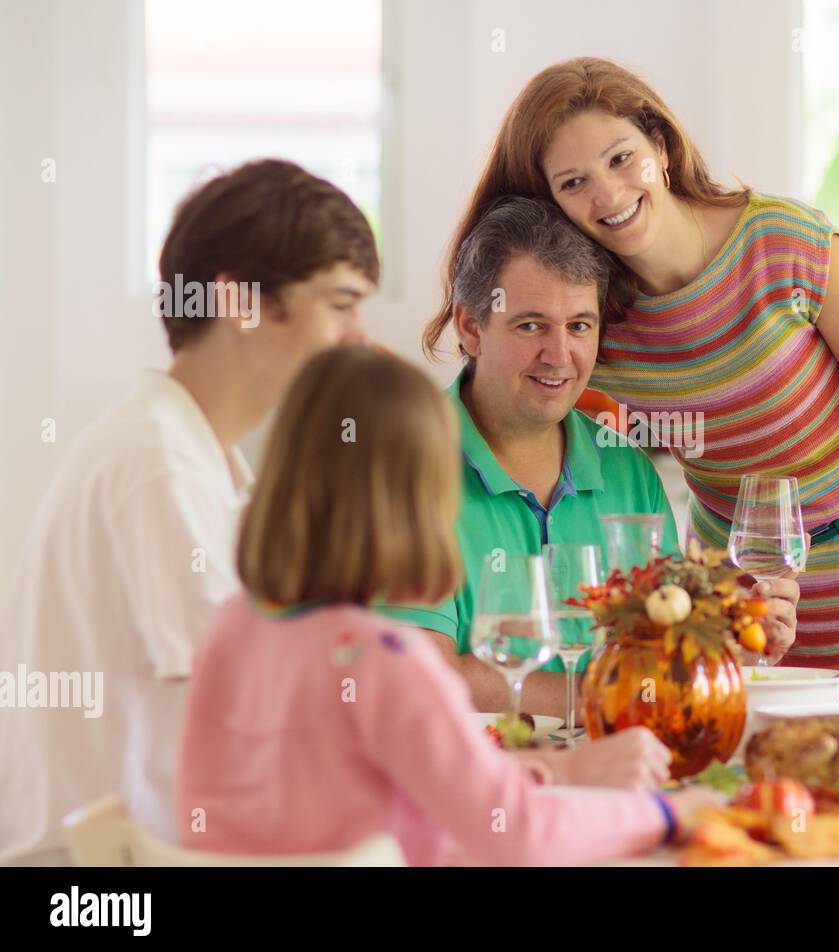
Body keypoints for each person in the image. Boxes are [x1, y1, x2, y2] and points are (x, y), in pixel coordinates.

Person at [424, 57, 839, 700]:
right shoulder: (599, 318)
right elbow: (525, 396)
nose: (608, 195)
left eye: (621, 159)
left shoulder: (789, 246)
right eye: (573, 183)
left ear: (661, 145)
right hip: (747, 597)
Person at [178, 346, 717, 865]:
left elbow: (444, 788)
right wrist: (666, 814)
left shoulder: (237, 624)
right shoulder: (384, 659)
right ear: (421, 498)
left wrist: (558, 771)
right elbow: (522, 834)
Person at [0, 160, 377, 865]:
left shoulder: (196, 454)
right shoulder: (159, 467)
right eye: (340, 302)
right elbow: (245, 731)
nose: (359, 336)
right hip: (92, 879)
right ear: (238, 302)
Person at [383, 196, 799, 724]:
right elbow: (423, 679)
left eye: (579, 325)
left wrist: (728, 648)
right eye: (531, 325)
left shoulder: (627, 470)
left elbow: (663, 659)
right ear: (470, 328)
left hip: (618, 780)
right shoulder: (401, 470)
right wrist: (611, 697)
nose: (560, 355)